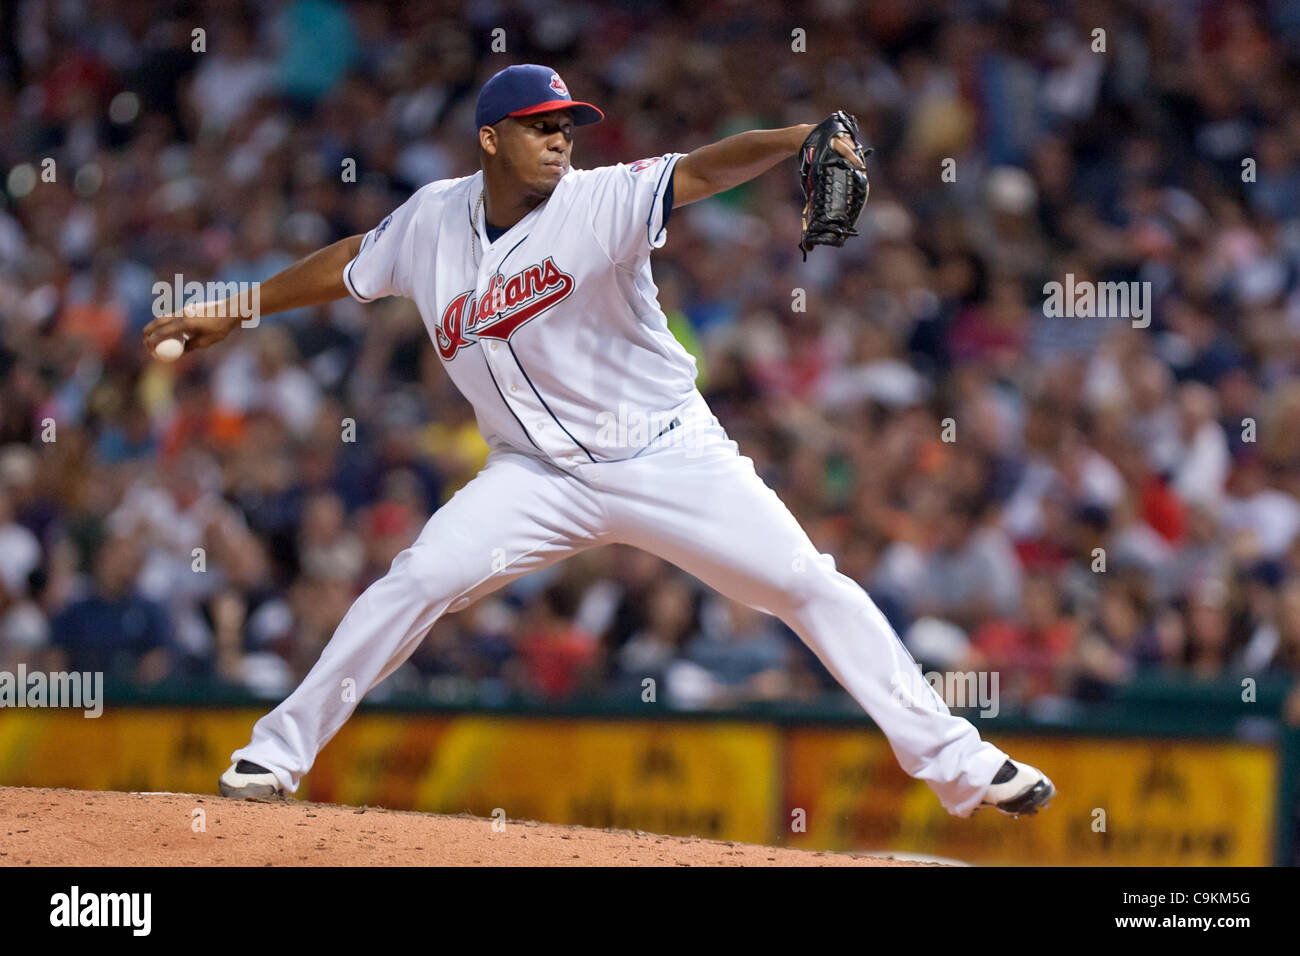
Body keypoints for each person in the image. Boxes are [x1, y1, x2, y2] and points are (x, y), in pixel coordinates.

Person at [144, 64, 1054, 818]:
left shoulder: (603, 199)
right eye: (540, 125)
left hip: (666, 455)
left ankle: (963, 765)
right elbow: (348, 262)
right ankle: (273, 757)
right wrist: (238, 306)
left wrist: (794, 138)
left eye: (568, 126)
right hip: (533, 476)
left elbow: (699, 170)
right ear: (490, 138)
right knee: (416, 580)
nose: (560, 139)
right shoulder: (430, 218)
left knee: (807, 585)